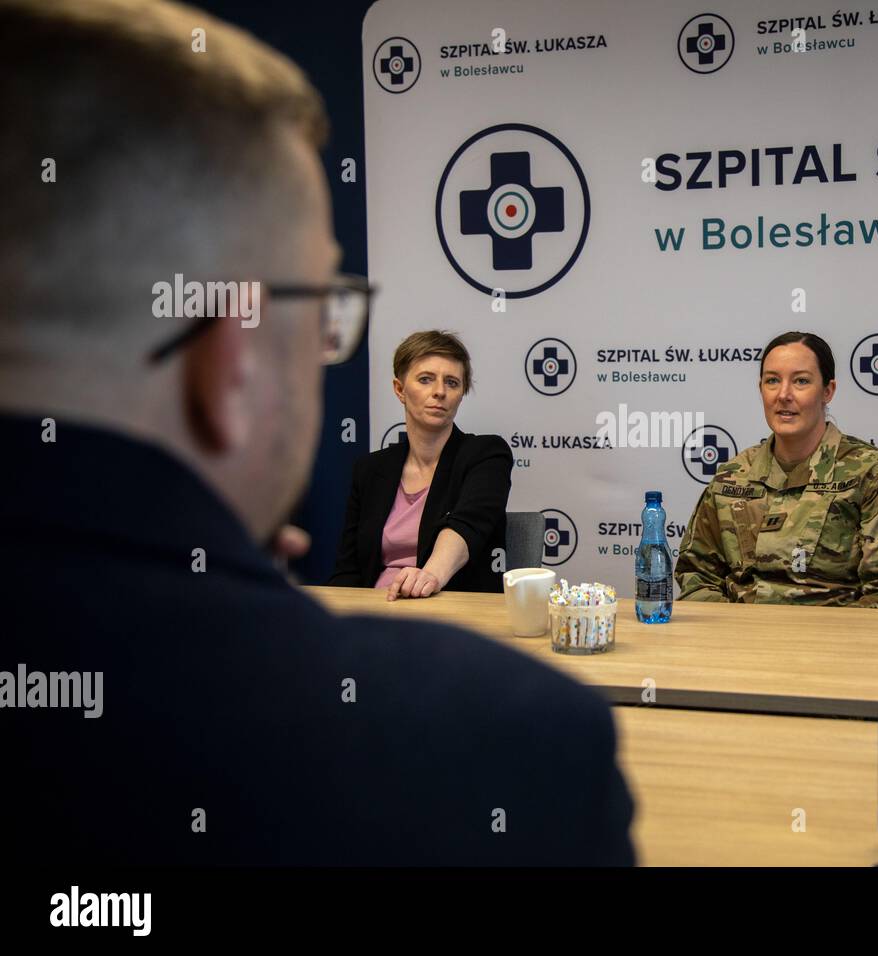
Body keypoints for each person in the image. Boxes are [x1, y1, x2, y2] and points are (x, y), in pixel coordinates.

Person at [0, 0, 633, 865]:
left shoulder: (480, 458)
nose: (440, 394)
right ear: (231, 362)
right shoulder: (509, 748)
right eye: (319, 308)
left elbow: (466, 532)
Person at [675, 331, 878, 606]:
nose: (784, 395)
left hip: (834, 642)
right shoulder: (731, 477)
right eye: (772, 381)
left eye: (801, 381)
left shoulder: (873, 474)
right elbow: (697, 576)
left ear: (827, 391)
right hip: (740, 640)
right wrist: (731, 634)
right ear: (760, 389)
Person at [329, 331, 510, 599]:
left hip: (453, 612)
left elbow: (466, 526)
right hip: (376, 611)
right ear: (400, 389)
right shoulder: (370, 469)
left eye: (452, 383)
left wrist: (430, 576)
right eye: (426, 380)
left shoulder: (486, 454)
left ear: (461, 394)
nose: (439, 392)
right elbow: (349, 570)